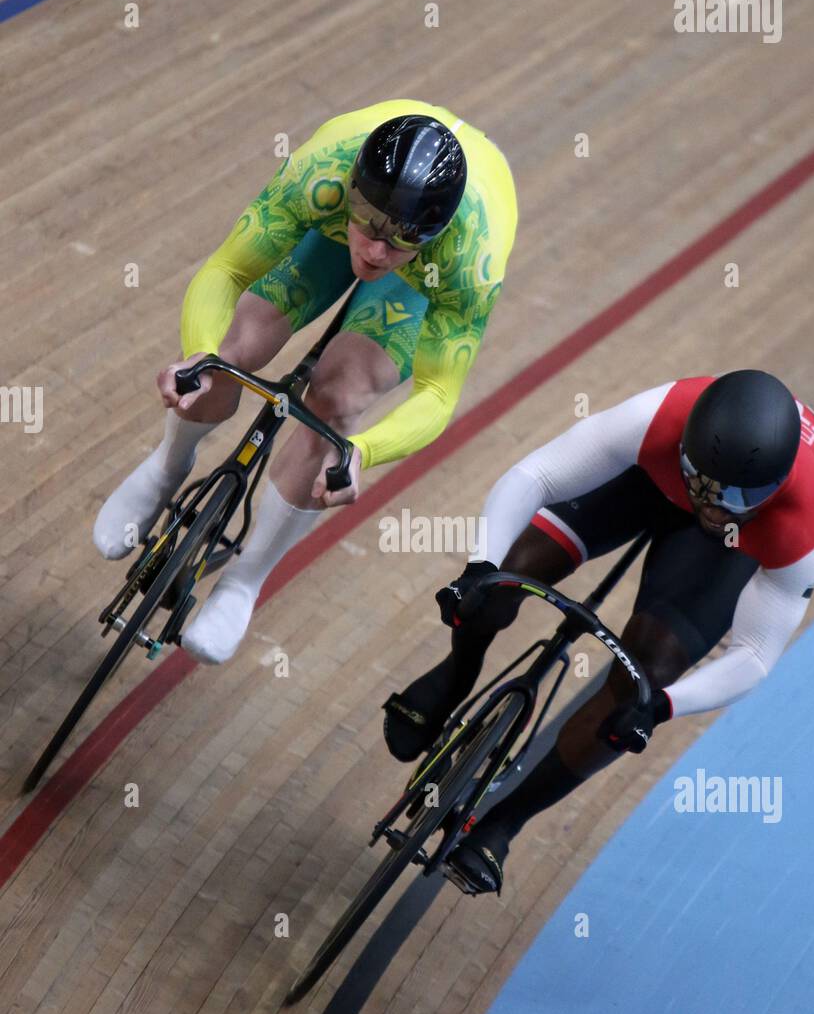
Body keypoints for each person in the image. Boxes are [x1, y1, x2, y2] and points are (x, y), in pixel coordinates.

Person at [383, 370, 814, 895]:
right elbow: (536, 476)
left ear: (776, 490)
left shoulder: (809, 516)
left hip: (728, 546)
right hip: (650, 480)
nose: (715, 506)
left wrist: (663, 706)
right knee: (506, 575)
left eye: (736, 497)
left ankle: (503, 824)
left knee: (645, 678)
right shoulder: (661, 416)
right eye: (708, 488)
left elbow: (756, 653)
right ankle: (454, 677)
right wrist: (478, 568)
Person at [93, 102, 518, 663]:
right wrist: (202, 356)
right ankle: (167, 464)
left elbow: (439, 394)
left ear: (434, 231)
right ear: (353, 189)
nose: (373, 250)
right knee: (235, 347)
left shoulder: (470, 257)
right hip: (330, 224)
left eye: (397, 240)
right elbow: (228, 270)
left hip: (423, 280)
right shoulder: (323, 172)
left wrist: (362, 450)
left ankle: (245, 581)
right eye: (367, 224)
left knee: (339, 398)